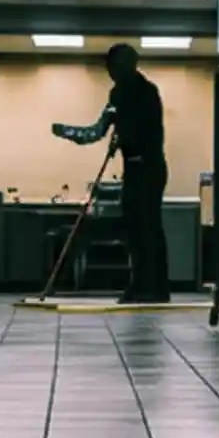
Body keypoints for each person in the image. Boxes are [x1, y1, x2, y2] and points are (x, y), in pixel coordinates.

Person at [53, 44, 170, 304]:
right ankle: (143, 286)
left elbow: (148, 130)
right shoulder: (117, 94)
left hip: (148, 169)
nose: (110, 72)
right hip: (135, 169)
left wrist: (125, 136)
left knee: (147, 228)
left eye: (113, 66)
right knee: (137, 228)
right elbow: (98, 130)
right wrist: (69, 132)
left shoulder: (146, 93)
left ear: (128, 64)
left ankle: (152, 288)